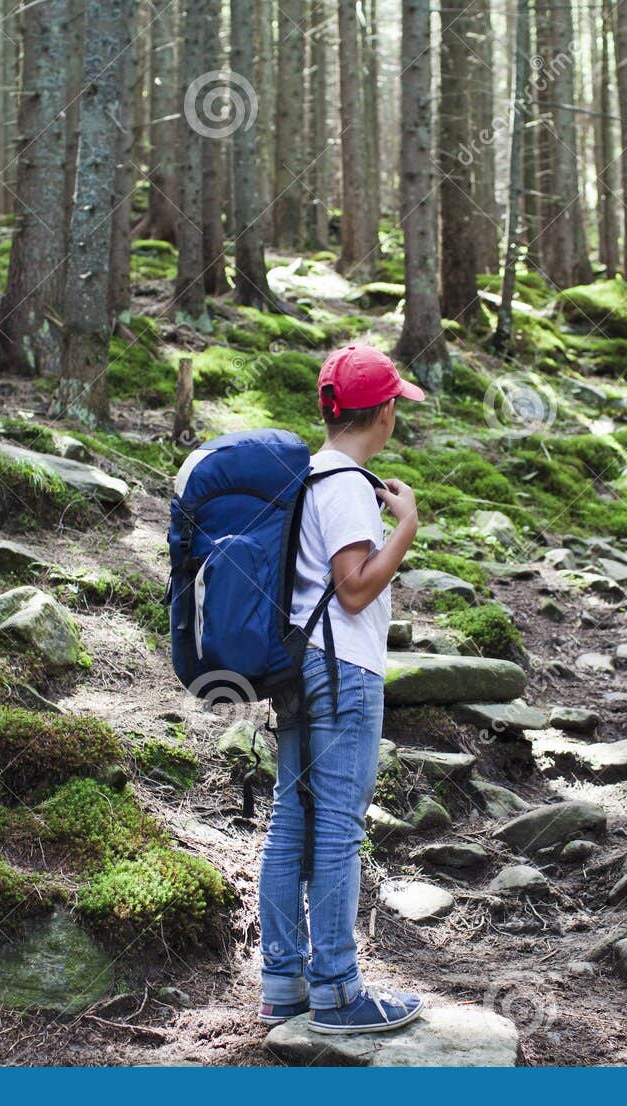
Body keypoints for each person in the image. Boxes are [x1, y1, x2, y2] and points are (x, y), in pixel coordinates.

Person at [257, 346, 428, 1034]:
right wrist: (407, 527)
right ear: (382, 412)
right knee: (338, 827)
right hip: (343, 671)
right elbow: (355, 586)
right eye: (396, 408)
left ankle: (282, 982)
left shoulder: (307, 475)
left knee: (289, 818)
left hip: (300, 667)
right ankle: (336, 990)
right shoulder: (351, 485)